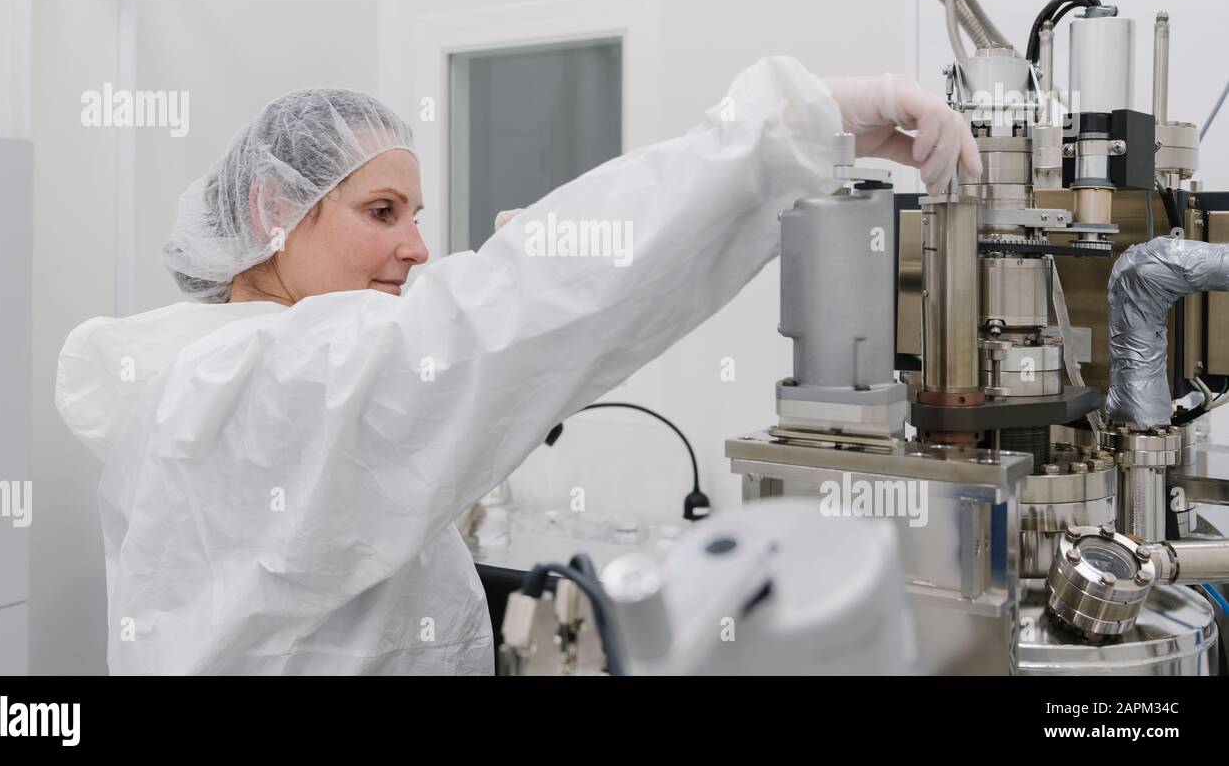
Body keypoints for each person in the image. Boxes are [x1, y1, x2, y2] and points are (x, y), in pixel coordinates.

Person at [55, 59, 981, 674]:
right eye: (382, 212)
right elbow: (503, 317)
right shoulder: (258, 389)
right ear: (271, 207)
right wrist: (791, 132)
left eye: (417, 215)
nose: (416, 248)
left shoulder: (256, 372)